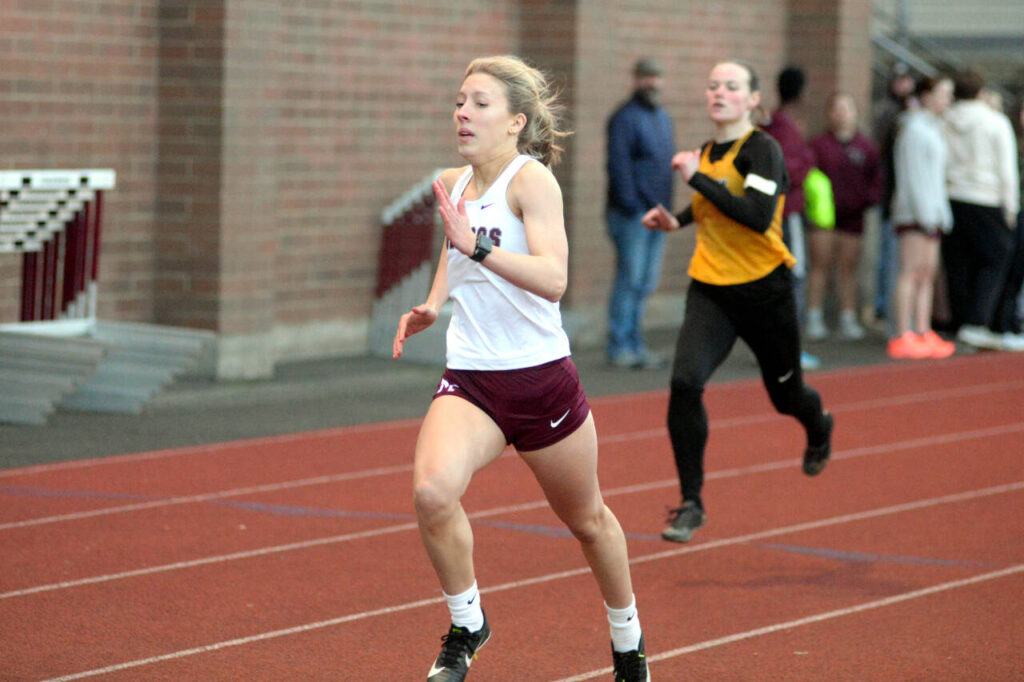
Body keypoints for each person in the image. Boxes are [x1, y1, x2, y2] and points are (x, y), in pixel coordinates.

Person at [392, 55, 651, 682]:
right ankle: (468, 623)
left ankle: (628, 644)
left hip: (540, 382)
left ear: (516, 121)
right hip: (473, 380)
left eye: (480, 102)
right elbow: (454, 253)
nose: (463, 112)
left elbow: (553, 279)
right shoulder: (453, 182)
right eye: (460, 100)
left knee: (587, 520)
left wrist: (478, 245)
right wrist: (433, 302)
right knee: (432, 492)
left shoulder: (529, 181)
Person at [642, 59, 833, 544]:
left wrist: (695, 179)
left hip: (765, 291)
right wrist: (677, 221)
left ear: (752, 99)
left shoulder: (763, 150)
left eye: (731, 86)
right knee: (685, 382)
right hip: (711, 291)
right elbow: (711, 208)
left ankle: (818, 423)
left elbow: (754, 213)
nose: (719, 92)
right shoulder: (706, 152)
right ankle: (691, 503)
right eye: (712, 86)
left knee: (786, 396)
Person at [942, 69, 1021, 351]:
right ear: (981, 91)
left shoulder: (944, 121)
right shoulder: (994, 121)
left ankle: (962, 320)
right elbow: (1006, 168)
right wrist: (1010, 206)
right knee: (996, 260)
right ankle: (977, 322)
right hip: (986, 198)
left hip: (953, 196)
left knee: (959, 263)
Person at [605, 57, 675, 369]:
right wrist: (634, 207)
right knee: (630, 279)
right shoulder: (624, 118)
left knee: (645, 281)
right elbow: (619, 167)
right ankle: (620, 345)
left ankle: (635, 343)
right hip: (632, 216)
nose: (653, 82)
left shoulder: (662, 117)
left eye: (656, 76)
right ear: (636, 79)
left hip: (656, 215)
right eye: (647, 76)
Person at [887, 75, 957, 360]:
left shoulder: (933, 129)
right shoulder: (914, 130)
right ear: (926, 95)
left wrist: (941, 212)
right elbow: (915, 177)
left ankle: (922, 328)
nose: (947, 100)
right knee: (911, 270)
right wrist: (926, 212)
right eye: (943, 93)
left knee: (927, 272)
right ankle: (903, 331)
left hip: (932, 212)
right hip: (915, 212)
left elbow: (937, 177)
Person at [806, 93, 883, 341]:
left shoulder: (866, 147)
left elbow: (876, 180)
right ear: (829, 113)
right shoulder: (818, 145)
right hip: (823, 218)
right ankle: (814, 316)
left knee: (848, 268)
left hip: (853, 218)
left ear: (855, 113)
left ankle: (848, 317)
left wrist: (865, 201)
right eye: (836, 109)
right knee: (820, 265)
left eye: (846, 109)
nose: (841, 114)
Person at [762, 66, 820, 370]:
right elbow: (783, 171)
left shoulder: (777, 124)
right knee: (792, 279)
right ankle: (786, 350)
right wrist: (807, 161)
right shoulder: (783, 128)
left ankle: (779, 348)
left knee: (782, 281)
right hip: (786, 214)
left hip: (778, 214)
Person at [872, 67, 918, 332]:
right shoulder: (891, 116)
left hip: (902, 202)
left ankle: (901, 319)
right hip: (895, 202)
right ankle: (891, 317)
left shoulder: (909, 118)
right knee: (893, 263)